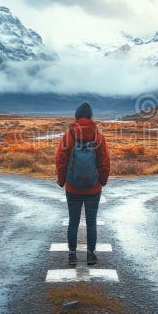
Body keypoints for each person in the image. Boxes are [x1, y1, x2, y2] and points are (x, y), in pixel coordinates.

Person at [55, 102, 110, 266]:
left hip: (72, 187)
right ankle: (91, 255)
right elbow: (105, 162)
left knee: (73, 220)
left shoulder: (68, 136)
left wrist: (62, 181)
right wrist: (102, 181)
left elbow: (60, 160)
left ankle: (72, 255)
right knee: (91, 222)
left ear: (76, 116)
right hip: (94, 187)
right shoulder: (99, 137)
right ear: (91, 116)